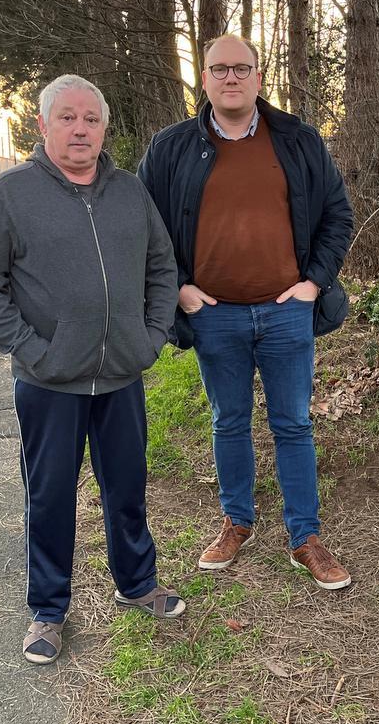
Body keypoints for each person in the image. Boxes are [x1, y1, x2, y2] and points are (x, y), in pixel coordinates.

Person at [0, 74, 185, 665]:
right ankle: (48, 610)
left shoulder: (130, 193)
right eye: (67, 117)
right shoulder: (8, 195)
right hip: (48, 383)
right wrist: (34, 350)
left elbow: (163, 267)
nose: (80, 128)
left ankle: (137, 585)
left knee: (127, 487)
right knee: (51, 495)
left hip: (122, 376)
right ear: (42, 126)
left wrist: (151, 335)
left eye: (91, 118)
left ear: (104, 128)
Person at [137, 34, 354, 590]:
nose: (231, 78)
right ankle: (237, 522)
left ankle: (304, 537)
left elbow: (337, 214)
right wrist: (180, 288)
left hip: (287, 312)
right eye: (219, 69)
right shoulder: (171, 149)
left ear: (259, 77)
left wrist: (314, 282)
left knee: (294, 423)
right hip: (215, 315)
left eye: (242, 68)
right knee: (228, 421)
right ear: (203, 79)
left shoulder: (298, 140)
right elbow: (146, 230)